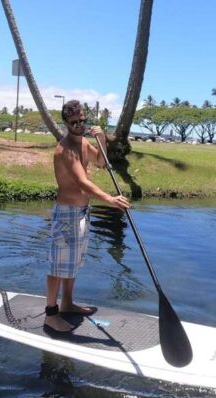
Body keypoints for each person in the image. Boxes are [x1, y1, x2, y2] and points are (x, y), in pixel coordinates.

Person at [45, 100, 131, 333]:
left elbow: (101, 162)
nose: (79, 125)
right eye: (74, 122)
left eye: (82, 121)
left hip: (82, 212)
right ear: (66, 123)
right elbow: (82, 181)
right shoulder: (65, 149)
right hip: (66, 215)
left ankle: (67, 303)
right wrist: (110, 199)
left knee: (73, 263)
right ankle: (51, 315)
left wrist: (101, 138)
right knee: (58, 265)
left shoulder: (83, 143)